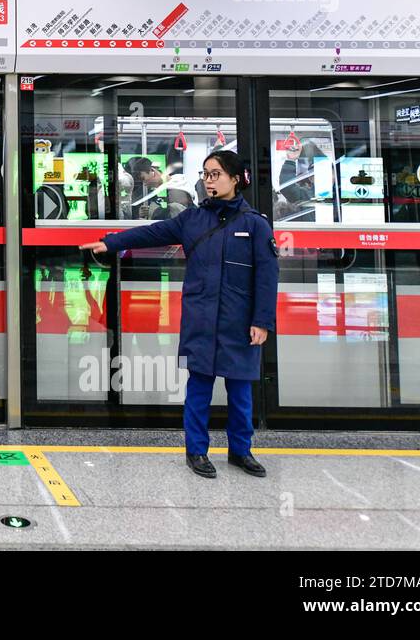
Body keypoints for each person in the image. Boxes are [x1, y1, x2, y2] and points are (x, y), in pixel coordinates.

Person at [80, 149, 278, 479]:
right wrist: (111, 243)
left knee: (241, 394)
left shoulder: (255, 225)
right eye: (205, 174)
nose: (209, 181)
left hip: (240, 323)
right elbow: (151, 233)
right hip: (200, 319)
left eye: (215, 174)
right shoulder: (192, 219)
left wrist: (262, 321)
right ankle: (196, 451)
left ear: (234, 178)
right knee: (198, 389)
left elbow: (267, 277)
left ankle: (241, 451)